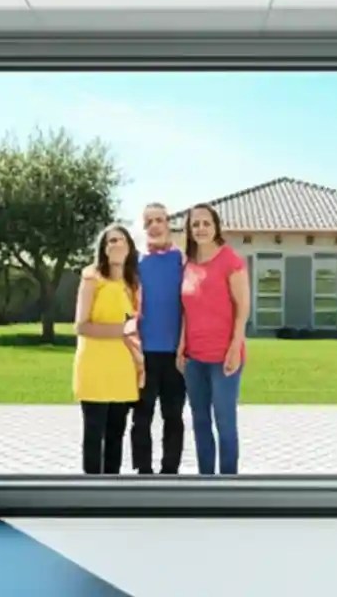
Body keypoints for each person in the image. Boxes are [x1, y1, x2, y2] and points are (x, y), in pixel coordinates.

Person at [179, 203, 250, 475]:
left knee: (225, 422)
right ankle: (205, 480)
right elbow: (187, 307)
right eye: (195, 224)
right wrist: (181, 345)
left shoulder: (229, 259)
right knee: (199, 421)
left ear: (216, 226)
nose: (201, 229)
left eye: (206, 223)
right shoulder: (188, 263)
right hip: (194, 359)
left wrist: (235, 347)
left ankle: (229, 484)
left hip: (224, 358)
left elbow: (243, 308)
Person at [73, 225, 145, 475]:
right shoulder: (91, 277)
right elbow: (81, 326)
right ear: (103, 249)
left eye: (121, 240)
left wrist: (138, 362)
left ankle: (112, 490)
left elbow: (132, 325)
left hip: (122, 368)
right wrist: (120, 332)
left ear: (129, 247)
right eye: (110, 241)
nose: (116, 244)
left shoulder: (133, 284)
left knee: (116, 434)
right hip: (94, 366)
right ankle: (90, 494)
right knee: (94, 434)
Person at [130, 203, 187, 475]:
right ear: (144, 227)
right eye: (149, 221)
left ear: (168, 224)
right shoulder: (136, 264)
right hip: (142, 353)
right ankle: (143, 471)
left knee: (173, 417)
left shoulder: (183, 261)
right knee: (141, 417)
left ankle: (170, 472)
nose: (155, 225)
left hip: (176, 353)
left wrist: (184, 346)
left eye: (160, 220)